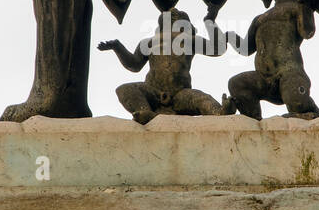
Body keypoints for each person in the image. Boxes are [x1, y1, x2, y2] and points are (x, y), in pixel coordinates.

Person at [99, 8, 233, 125]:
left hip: (180, 94)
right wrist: (118, 48)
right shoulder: (149, 42)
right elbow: (134, 64)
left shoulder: (189, 39)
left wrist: (210, 20)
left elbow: (218, 48)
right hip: (153, 92)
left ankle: (220, 112)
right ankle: (146, 112)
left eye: (177, 17)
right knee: (125, 89)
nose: (173, 13)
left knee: (200, 98)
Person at [224, 0, 319, 120]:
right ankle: (253, 121)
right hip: (264, 79)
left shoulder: (297, 8)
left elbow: (307, 32)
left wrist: (305, 6)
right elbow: (246, 48)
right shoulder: (260, 18)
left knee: (295, 97)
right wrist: (230, 36)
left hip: (289, 74)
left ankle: (312, 113)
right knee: (237, 83)